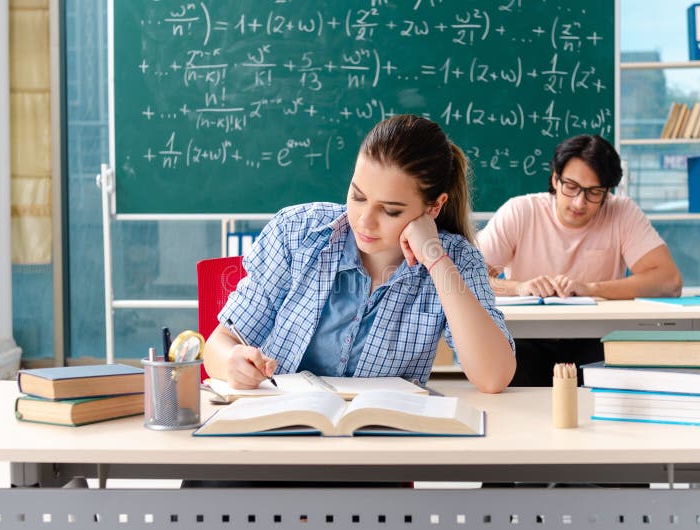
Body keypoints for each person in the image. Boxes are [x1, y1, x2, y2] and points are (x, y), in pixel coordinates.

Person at [204, 114, 516, 394]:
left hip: (382, 442)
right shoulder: (296, 232)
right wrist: (232, 362)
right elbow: (219, 344)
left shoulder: (457, 260)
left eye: (391, 211)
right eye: (358, 196)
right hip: (282, 431)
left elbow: (493, 378)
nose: (365, 220)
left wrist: (434, 258)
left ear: (434, 207)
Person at [476, 134, 682, 386]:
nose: (579, 202)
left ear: (607, 193)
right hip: (526, 339)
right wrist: (519, 287)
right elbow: (468, 279)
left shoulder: (622, 212)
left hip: (596, 338)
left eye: (594, 192)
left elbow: (668, 281)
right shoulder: (520, 211)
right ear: (555, 179)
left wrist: (592, 289)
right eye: (571, 187)